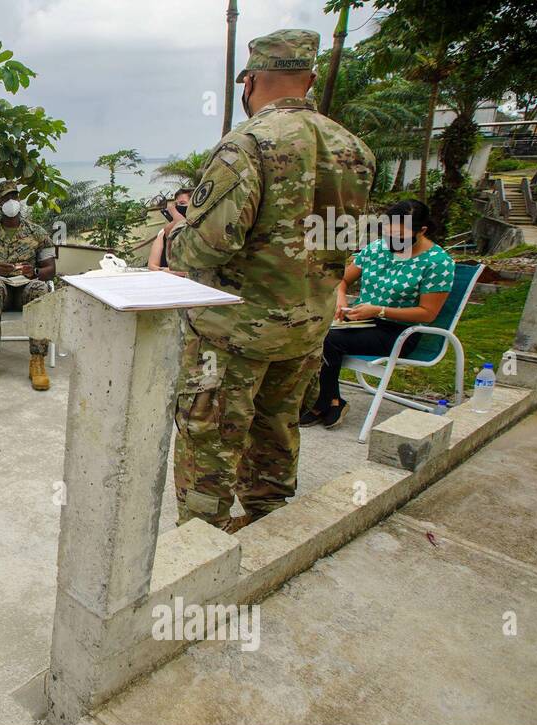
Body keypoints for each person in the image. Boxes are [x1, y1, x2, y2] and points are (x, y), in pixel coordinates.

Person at [166, 29, 376, 533]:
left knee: (211, 433)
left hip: (235, 331)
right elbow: (341, 243)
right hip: (307, 329)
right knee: (277, 428)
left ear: (251, 80)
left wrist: (177, 235)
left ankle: (202, 544)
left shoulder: (248, 144)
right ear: (308, 79)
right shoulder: (355, 149)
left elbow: (209, 244)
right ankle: (269, 527)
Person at [300, 199, 454, 429]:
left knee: (328, 339)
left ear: (421, 231)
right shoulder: (377, 249)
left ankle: (328, 402)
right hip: (363, 321)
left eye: (400, 237)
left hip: (400, 332)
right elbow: (341, 280)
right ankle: (325, 400)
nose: (392, 242)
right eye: (388, 234)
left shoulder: (437, 263)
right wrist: (341, 303)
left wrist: (379, 310)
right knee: (309, 328)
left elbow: (427, 313)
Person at [0, 180, 57, 390]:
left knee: (41, 289)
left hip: (26, 291)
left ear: (19, 199)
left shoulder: (37, 232)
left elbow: (50, 270)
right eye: (6, 198)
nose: (11, 201)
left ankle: (37, 361)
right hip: (0, 294)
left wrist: (33, 272)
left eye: (14, 197)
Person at [147, 189, 192, 273]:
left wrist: (173, 211)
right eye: (176, 204)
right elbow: (152, 265)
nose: (178, 207)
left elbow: (182, 224)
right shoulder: (163, 232)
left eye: (182, 203)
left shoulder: (202, 230)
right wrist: (170, 271)